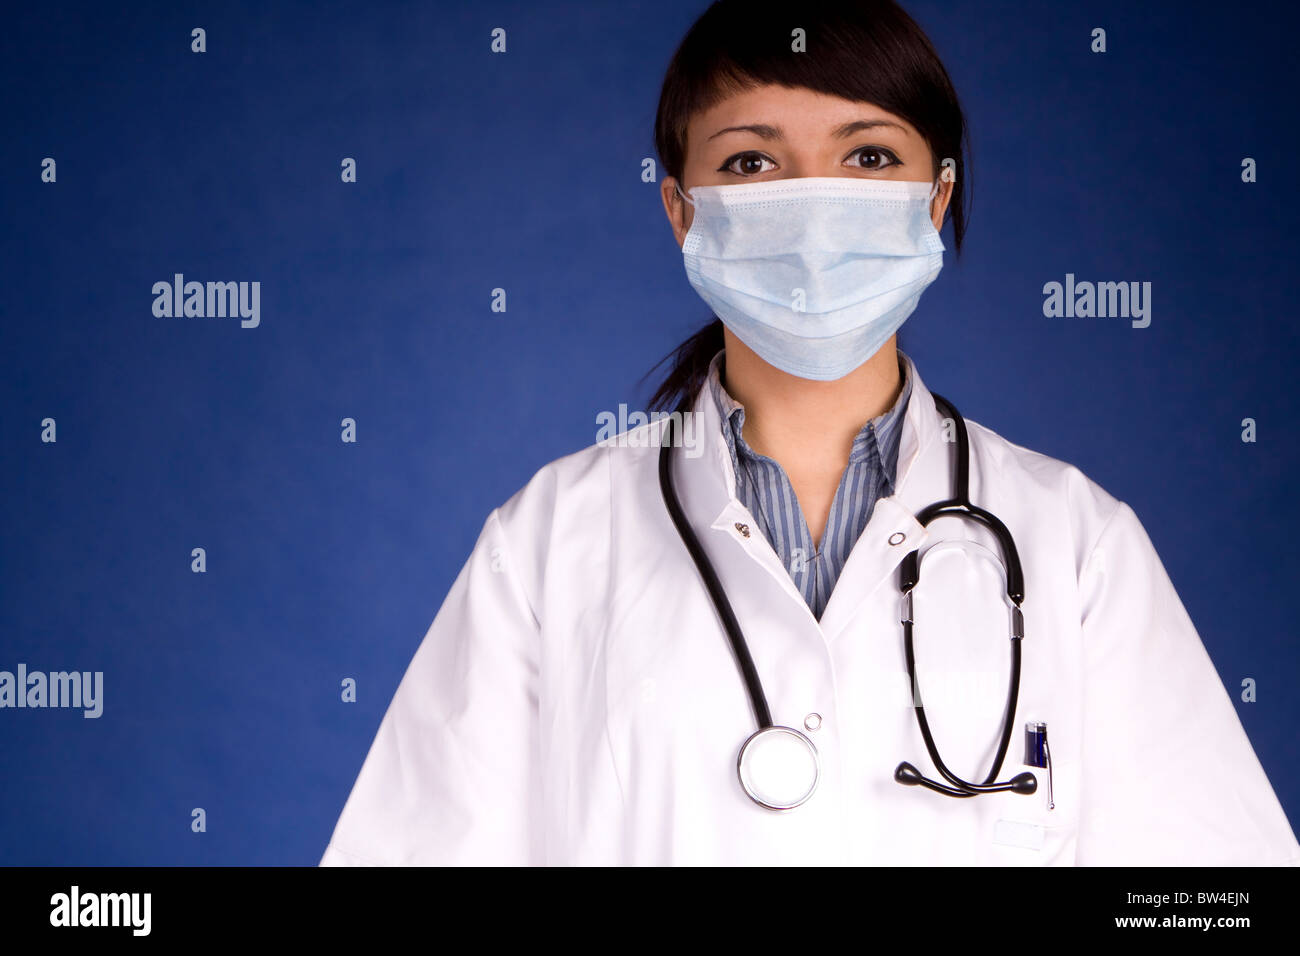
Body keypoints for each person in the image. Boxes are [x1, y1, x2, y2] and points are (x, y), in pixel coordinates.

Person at [319, 0, 1300, 865]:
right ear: (680, 211)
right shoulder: (548, 538)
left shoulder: (1074, 542)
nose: (815, 205)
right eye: (752, 161)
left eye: (867, 155)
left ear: (936, 197)